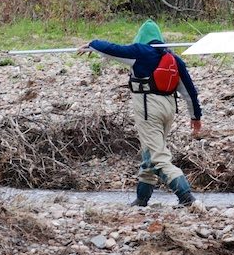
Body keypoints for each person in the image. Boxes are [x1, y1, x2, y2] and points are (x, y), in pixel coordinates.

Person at [78, 20, 202, 207]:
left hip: (148, 108)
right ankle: (142, 199)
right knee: (149, 152)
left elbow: (113, 49)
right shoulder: (174, 59)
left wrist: (92, 44)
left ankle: (187, 197)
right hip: (168, 109)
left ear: (142, 37)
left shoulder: (140, 52)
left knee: (157, 156)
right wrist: (195, 116)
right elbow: (190, 92)